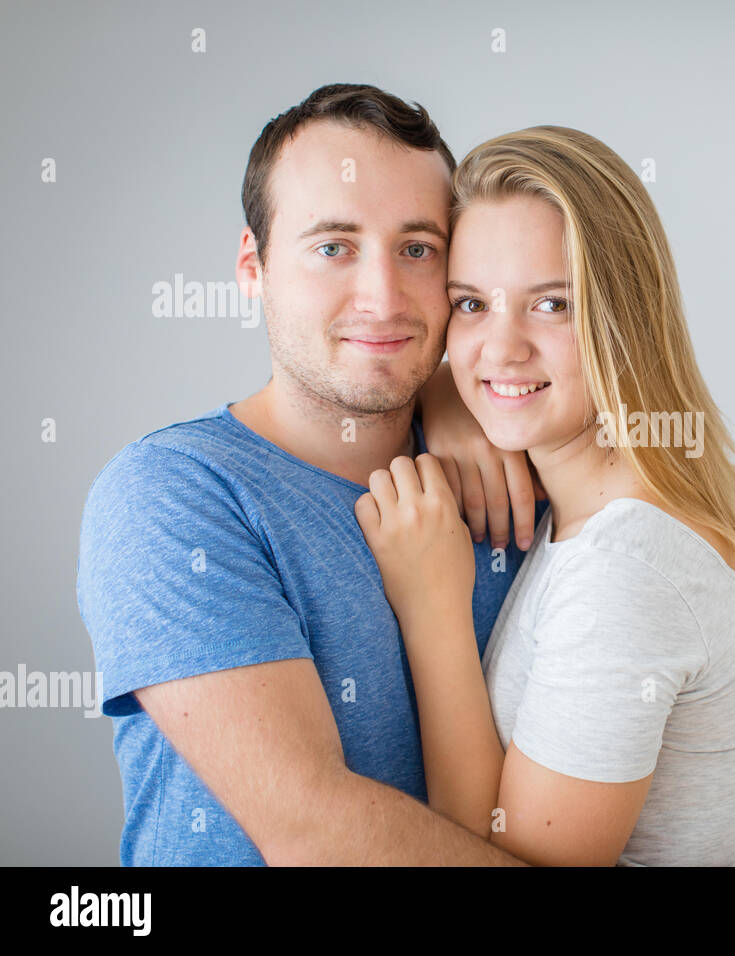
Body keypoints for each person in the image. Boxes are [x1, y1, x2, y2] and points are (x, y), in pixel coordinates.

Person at [75, 84, 546, 865]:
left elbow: (648, 744)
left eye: (418, 249)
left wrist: (457, 403)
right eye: (334, 247)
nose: (383, 297)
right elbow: (315, 831)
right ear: (252, 269)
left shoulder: (517, 461)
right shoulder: (171, 497)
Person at [358, 126, 735, 865]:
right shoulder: (597, 514)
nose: (502, 347)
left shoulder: (624, 570)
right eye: (472, 304)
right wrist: (442, 398)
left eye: (552, 305)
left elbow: (501, 858)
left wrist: (432, 610)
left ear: (625, 318)